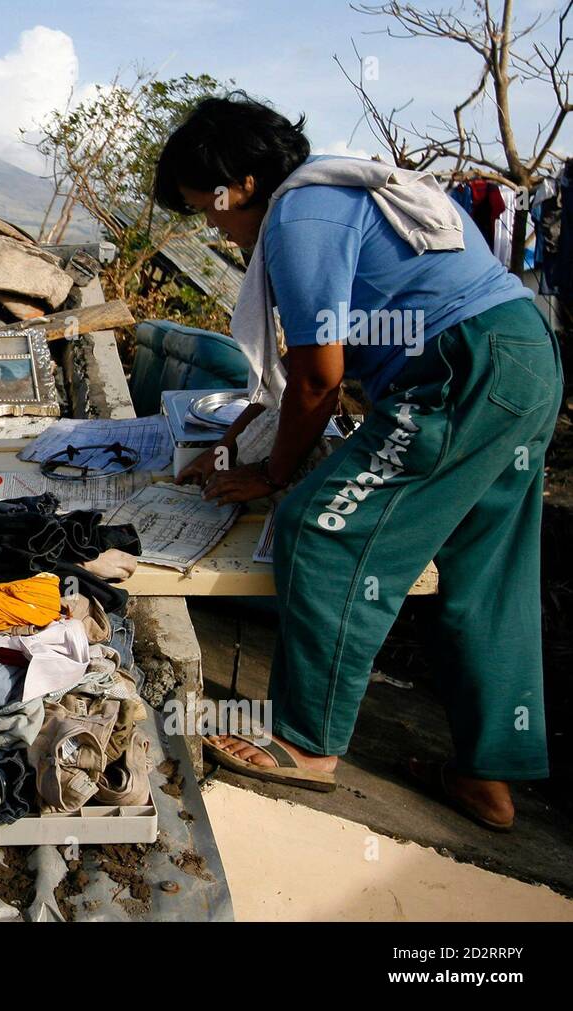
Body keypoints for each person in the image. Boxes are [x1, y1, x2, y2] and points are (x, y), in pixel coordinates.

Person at [154, 93, 562, 830]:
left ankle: (305, 744)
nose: (211, 224)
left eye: (206, 206)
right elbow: (296, 376)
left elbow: (319, 380)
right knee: (482, 567)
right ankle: (487, 774)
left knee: (324, 528)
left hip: (459, 371)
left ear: (241, 183)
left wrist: (275, 477)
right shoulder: (344, 193)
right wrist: (242, 438)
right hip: (521, 356)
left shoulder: (296, 218)